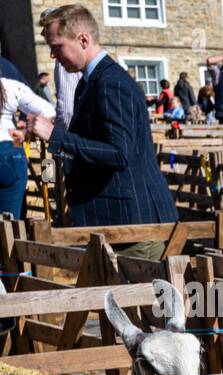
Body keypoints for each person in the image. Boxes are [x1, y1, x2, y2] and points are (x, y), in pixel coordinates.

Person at [21, 5, 176, 244]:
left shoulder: (110, 82)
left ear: (83, 39)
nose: (53, 55)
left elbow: (119, 153)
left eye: (57, 46)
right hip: (119, 222)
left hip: (134, 226)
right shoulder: (92, 81)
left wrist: (55, 136)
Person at [0, 74, 55, 219]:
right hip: (8, 151)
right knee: (9, 227)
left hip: (8, 152)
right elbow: (49, 111)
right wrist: (26, 131)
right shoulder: (9, 86)